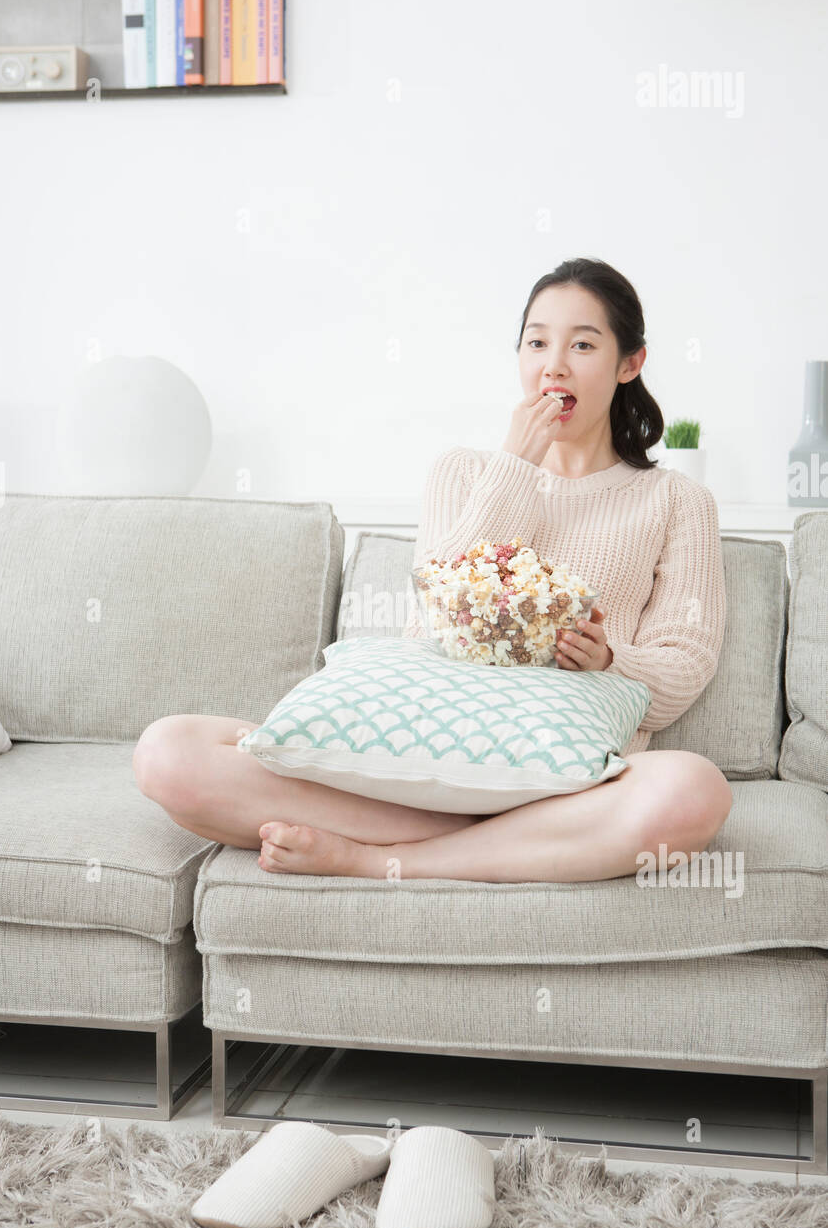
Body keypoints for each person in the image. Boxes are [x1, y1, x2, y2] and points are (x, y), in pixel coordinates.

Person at [132, 257, 731, 885]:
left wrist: (610, 659)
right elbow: (440, 604)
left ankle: (376, 858)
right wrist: (518, 465)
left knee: (694, 791)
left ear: (630, 363)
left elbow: (684, 663)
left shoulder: (677, 501)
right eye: (537, 342)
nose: (554, 364)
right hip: (420, 761)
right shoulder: (465, 471)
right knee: (169, 754)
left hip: (569, 780)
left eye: (583, 344)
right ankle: (510, 843)